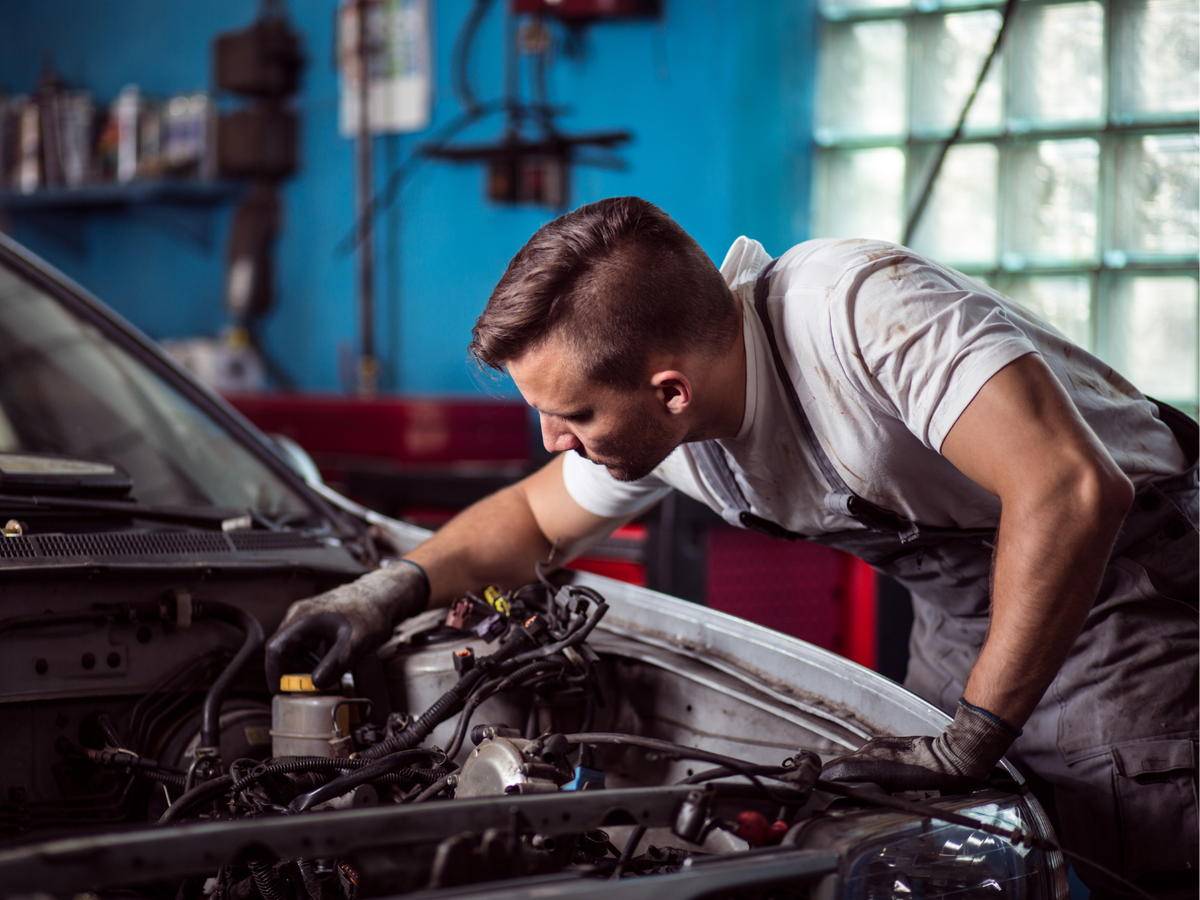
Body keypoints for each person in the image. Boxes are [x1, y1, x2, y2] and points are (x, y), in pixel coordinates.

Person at [267, 197, 1197, 897]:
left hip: (1129, 576)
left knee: (1119, 843)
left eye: (570, 417)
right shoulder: (673, 427)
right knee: (942, 846)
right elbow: (531, 522)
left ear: (670, 390)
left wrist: (973, 733)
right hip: (967, 597)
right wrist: (387, 591)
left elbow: (1073, 490)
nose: (554, 441)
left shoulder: (864, 314)